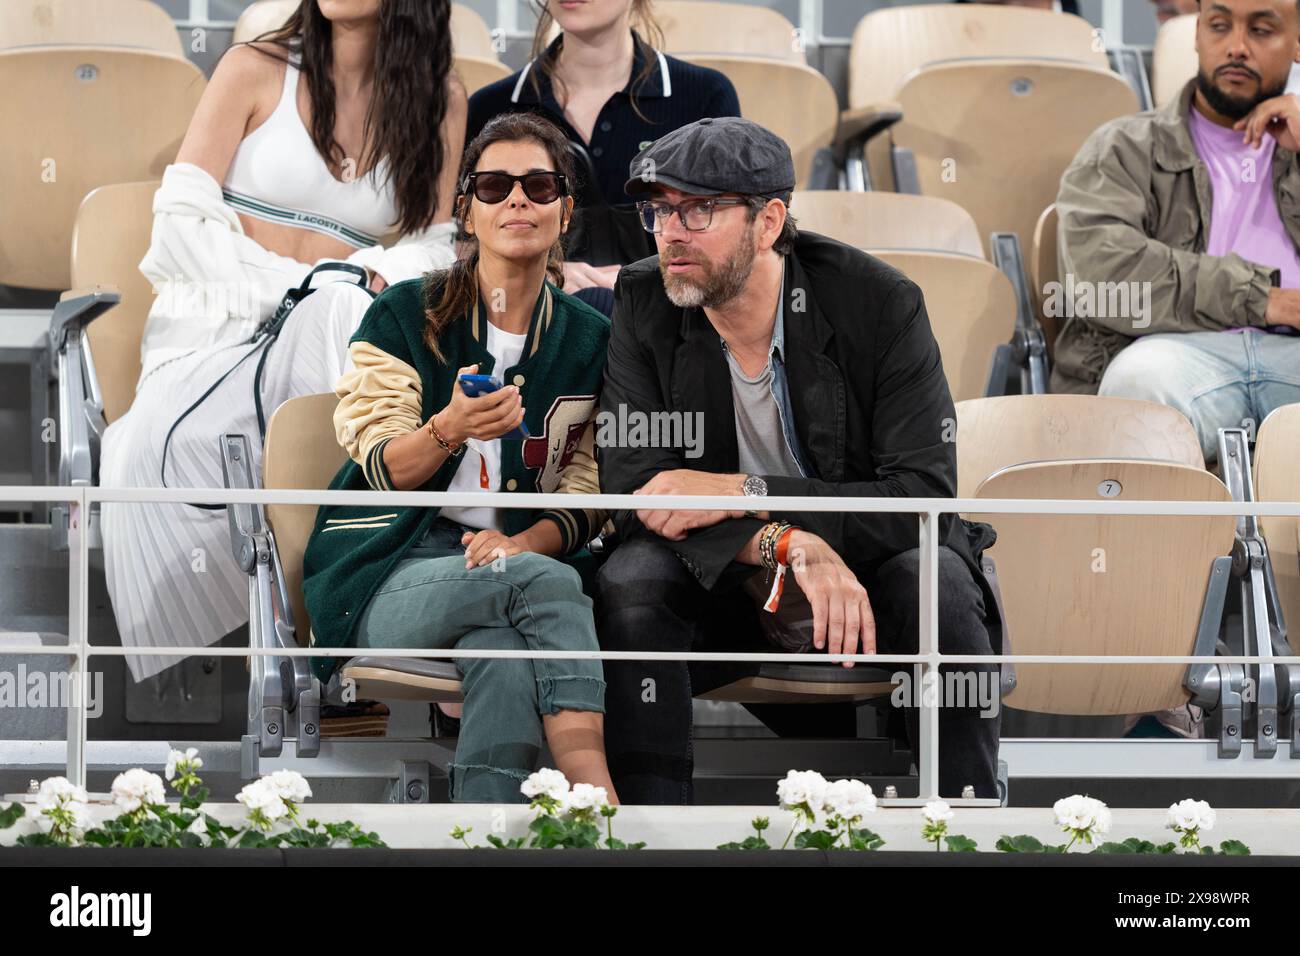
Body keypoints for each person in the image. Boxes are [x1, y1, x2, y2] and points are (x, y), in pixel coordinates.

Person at [594, 117, 1003, 804]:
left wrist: (748, 488)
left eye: (699, 209)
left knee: (935, 580)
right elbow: (639, 488)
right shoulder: (644, 299)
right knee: (632, 579)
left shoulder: (879, 303)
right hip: (722, 571)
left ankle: (964, 822)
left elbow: (921, 497)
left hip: (868, 573)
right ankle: (648, 831)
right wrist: (783, 539)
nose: (671, 232)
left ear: (769, 221)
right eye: (659, 211)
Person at [101, 0, 464, 683]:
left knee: (342, 315)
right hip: (218, 320)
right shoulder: (252, 67)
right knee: (335, 312)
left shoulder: (439, 99)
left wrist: (362, 283)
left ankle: (338, 617)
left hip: (334, 324)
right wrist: (308, 285)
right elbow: (181, 225)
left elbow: (438, 247)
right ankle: (337, 614)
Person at [302, 112, 617, 803]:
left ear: (565, 211)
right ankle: (594, 792)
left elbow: (592, 488)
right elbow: (381, 466)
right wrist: (448, 428)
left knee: (503, 658)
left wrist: (519, 541)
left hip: (507, 564)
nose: (517, 201)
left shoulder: (594, 338)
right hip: (387, 566)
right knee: (546, 583)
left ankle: (484, 840)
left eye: (538, 186)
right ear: (465, 212)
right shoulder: (405, 312)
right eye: (493, 185)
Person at [1054, 0, 1300, 467]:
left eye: (1262, 30)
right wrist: (1268, 300)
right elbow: (1100, 275)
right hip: (1174, 354)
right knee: (1138, 384)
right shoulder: (1124, 148)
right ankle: (1160, 544)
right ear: (1196, 35)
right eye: (1219, 26)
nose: (1236, 48)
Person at [465, 0, 740, 315]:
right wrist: (543, 274)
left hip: (670, 331)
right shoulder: (491, 107)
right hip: (529, 330)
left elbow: (729, 247)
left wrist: (639, 281)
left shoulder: (703, 96)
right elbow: (464, 249)